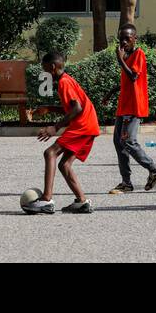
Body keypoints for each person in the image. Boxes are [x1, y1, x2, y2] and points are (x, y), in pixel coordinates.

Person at [26, 52, 101, 215]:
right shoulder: (66, 80)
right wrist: (49, 108)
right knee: (64, 164)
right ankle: (82, 202)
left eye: (44, 68)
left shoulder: (64, 83)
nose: (43, 72)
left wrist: (55, 127)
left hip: (83, 125)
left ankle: (46, 200)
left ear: (52, 67)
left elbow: (77, 108)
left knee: (50, 153)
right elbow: (73, 106)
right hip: (89, 125)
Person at [109, 24, 156, 194]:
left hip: (133, 107)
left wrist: (119, 60)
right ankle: (126, 182)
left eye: (127, 38)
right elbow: (126, 82)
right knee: (119, 143)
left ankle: (154, 169)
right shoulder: (127, 57)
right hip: (123, 106)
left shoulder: (138, 54)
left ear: (135, 38)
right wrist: (111, 92)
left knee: (128, 141)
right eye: (121, 39)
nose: (124, 42)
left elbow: (133, 76)